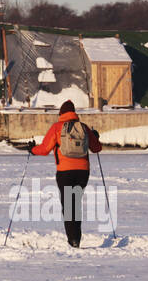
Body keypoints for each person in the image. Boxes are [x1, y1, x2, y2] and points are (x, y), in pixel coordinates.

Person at [30, 99, 102, 248]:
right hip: (83, 172)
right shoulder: (83, 127)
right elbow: (96, 148)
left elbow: (44, 149)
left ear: (61, 113)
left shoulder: (57, 127)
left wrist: (31, 149)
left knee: (69, 206)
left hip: (65, 172)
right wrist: (95, 136)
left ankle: (73, 240)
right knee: (75, 204)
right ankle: (76, 238)